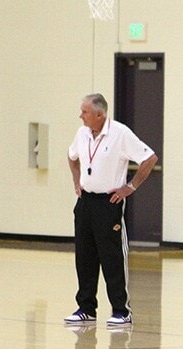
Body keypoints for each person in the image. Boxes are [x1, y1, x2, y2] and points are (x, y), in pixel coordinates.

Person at [64, 93, 158, 327]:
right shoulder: (82, 133)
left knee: (112, 257)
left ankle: (121, 311)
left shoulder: (120, 133)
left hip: (109, 203)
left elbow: (149, 158)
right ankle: (86, 308)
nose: (80, 116)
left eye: (84, 112)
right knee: (84, 257)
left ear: (99, 114)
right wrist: (76, 181)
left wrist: (130, 187)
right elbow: (72, 156)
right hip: (85, 202)